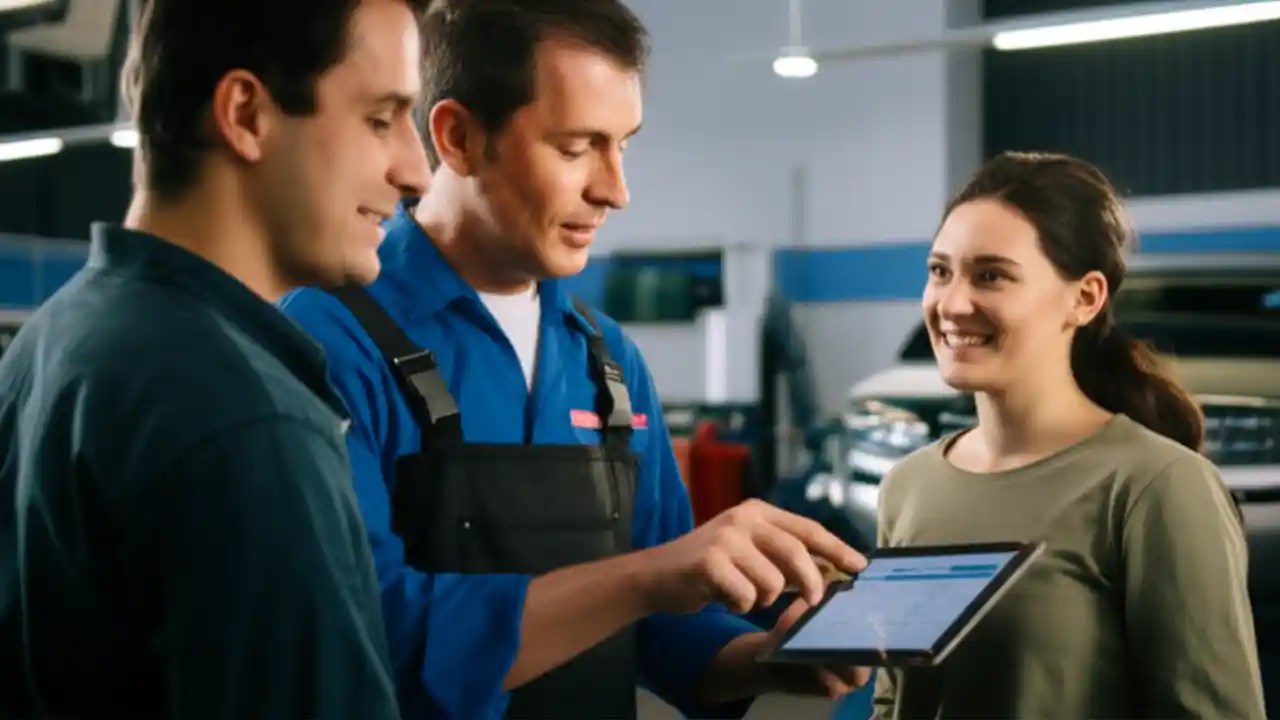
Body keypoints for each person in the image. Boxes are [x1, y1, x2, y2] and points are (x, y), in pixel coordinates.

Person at [278, 1, 869, 717]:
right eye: (575, 147)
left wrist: (762, 660)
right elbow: (370, 634)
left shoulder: (609, 361)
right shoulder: (330, 339)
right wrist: (648, 576)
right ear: (458, 137)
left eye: (624, 145)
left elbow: (662, 624)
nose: (615, 190)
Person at [0, 0, 431, 717]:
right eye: (381, 118)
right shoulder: (248, 423)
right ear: (246, 114)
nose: (415, 171)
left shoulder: (57, 341)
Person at [871, 151, 1267, 720]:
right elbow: (894, 704)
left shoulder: (1155, 486)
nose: (953, 304)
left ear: (1084, 299)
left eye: (991, 275)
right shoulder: (908, 486)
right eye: (940, 271)